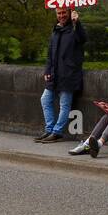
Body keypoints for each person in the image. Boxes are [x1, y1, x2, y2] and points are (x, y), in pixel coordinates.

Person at [36, 8, 86, 143]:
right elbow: (50, 54)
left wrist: (77, 22)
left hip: (69, 74)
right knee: (45, 100)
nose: (61, 15)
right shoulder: (56, 30)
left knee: (64, 105)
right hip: (55, 74)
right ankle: (49, 129)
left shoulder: (74, 28)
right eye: (59, 13)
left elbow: (83, 39)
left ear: (69, 13)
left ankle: (57, 132)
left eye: (64, 13)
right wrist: (47, 70)